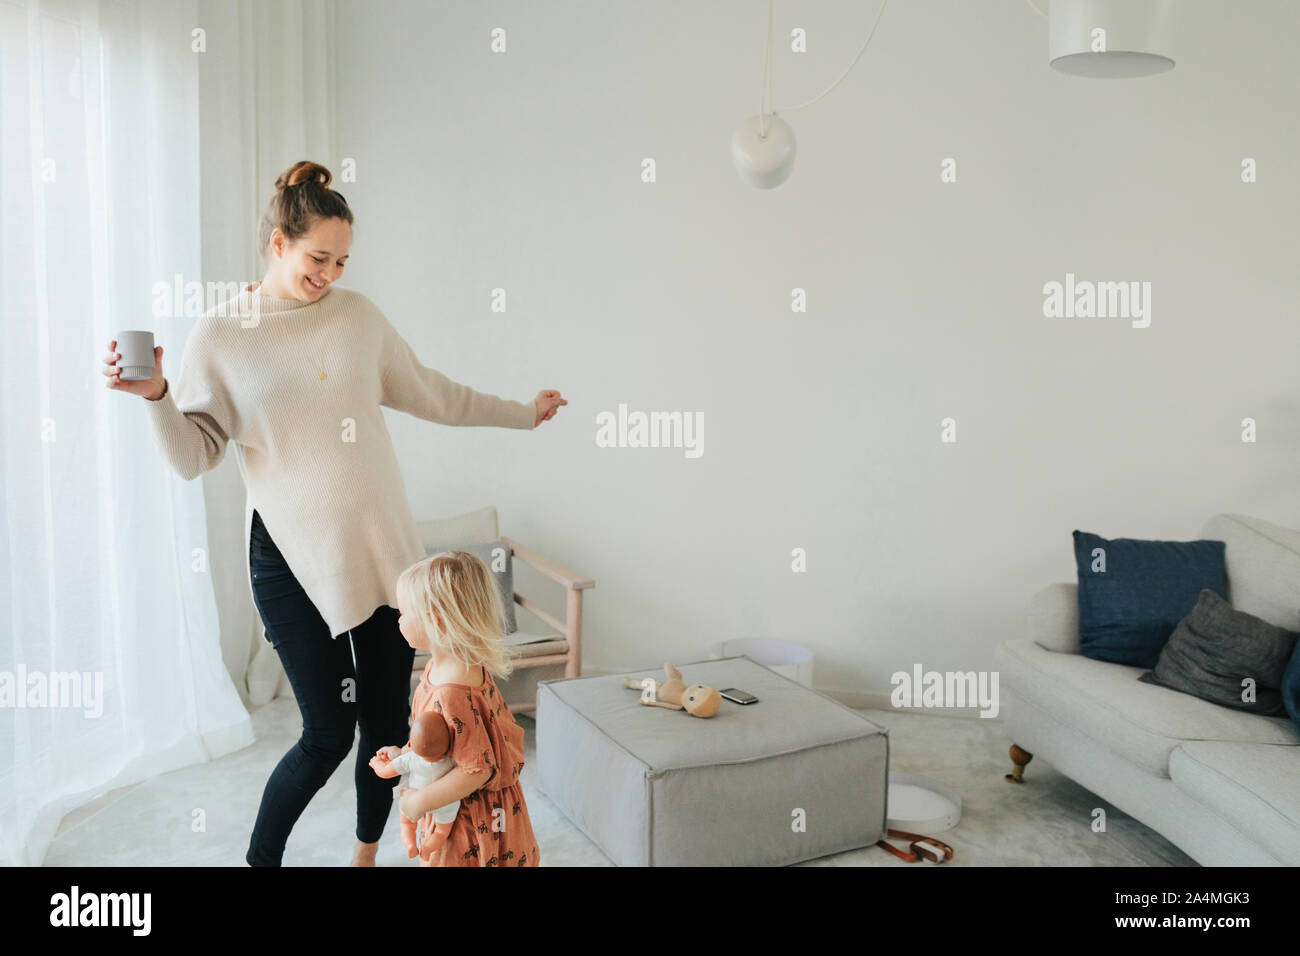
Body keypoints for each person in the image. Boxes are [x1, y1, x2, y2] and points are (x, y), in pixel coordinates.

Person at [101, 160, 565, 866]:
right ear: (278, 243)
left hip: (381, 554)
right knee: (326, 731)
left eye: (342, 261)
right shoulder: (221, 336)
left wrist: (522, 415)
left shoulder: (357, 320)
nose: (331, 274)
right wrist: (158, 395)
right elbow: (194, 456)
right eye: (319, 257)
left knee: (385, 723)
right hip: (286, 558)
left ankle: (366, 853)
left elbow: (436, 394)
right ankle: (261, 861)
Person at [393, 550, 540, 866]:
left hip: (470, 818)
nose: (399, 620)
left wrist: (420, 801)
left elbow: (478, 769)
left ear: (434, 622)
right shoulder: (445, 665)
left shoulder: (455, 692)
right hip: (452, 801)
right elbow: (440, 741)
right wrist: (404, 753)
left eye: (404, 613)